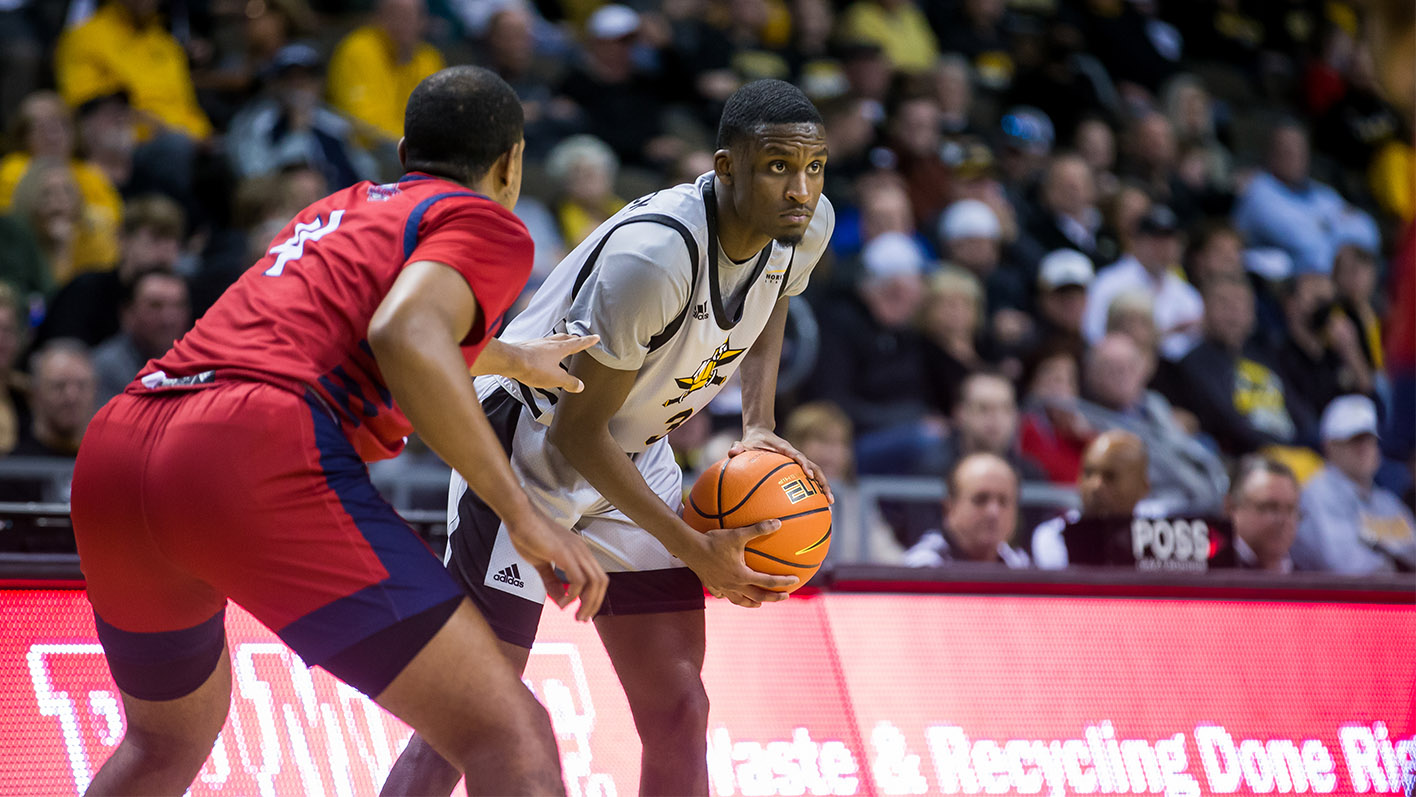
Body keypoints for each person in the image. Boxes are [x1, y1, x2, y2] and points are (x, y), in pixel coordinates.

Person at [68, 66, 608, 795]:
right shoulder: (484, 221)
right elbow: (408, 330)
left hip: (120, 447)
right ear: (511, 163)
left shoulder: (341, 207)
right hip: (242, 450)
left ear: (401, 154)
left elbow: (343, 319)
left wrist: (506, 353)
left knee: (164, 743)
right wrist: (527, 515)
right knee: (512, 737)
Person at [383, 79, 836, 797]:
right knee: (469, 720)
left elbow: (774, 289)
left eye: (813, 168)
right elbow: (577, 435)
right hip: (530, 441)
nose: (800, 189)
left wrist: (759, 420)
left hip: (635, 448)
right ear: (725, 167)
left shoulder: (806, 225)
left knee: (681, 707)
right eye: (778, 166)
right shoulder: (655, 259)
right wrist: (695, 549)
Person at [1294, 395, 1416, 574]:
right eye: (1354, 440)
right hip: (1335, 600)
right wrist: (1400, 566)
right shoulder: (1316, 494)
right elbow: (1345, 567)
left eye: (1369, 439)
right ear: (1329, 446)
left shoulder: (1387, 501)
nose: (1364, 448)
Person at [1032, 430, 1153, 569]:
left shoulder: (1162, 535)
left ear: (1143, 487)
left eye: (1110, 476)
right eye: (1088, 473)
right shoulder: (1053, 536)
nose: (1096, 486)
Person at [903, 452, 1030, 568]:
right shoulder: (922, 567)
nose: (993, 512)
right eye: (980, 499)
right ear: (949, 507)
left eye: (1003, 501)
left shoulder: (1020, 564)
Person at [90, 270, 191, 407]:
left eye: (178, 305)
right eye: (155, 306)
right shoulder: (102, 370)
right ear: (128, 313)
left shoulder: (199, 363)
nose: (168, 318)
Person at [1226, 456, 1301, 572]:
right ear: (1231, 508)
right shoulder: (1210, 575)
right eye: (1269, 507)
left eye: (1290, 509)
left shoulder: (1306, 579)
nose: (1282, 520)